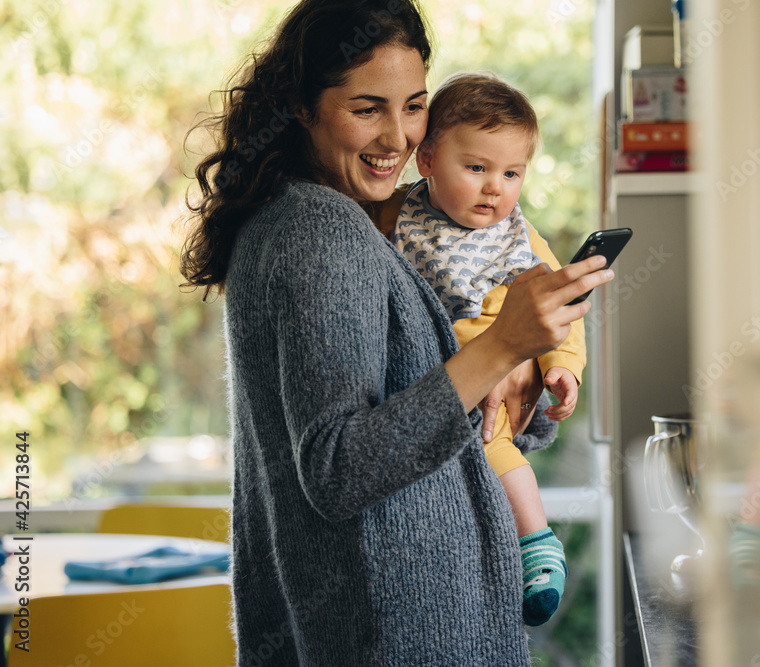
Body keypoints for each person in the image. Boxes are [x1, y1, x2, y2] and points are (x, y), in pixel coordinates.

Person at [179, 0, 613, 665]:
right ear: (301, 107)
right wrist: (500, 347)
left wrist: (516, 363)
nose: (398, 139)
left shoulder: (344, 222)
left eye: (413, 107)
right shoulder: (319, 230)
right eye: (366, 109)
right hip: (397, 637)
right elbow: (338, 467)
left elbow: (449, 422)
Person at [387, 71, 584, 626]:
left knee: (496, 450)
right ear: (426, 159)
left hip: (490, 397)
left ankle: (537, 544)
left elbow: (561, 306)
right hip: (426, 390)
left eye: (511, 173)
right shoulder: (395, 217)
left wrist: (562, 367)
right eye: (476, 168)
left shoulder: (520, 239)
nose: (495, 187)